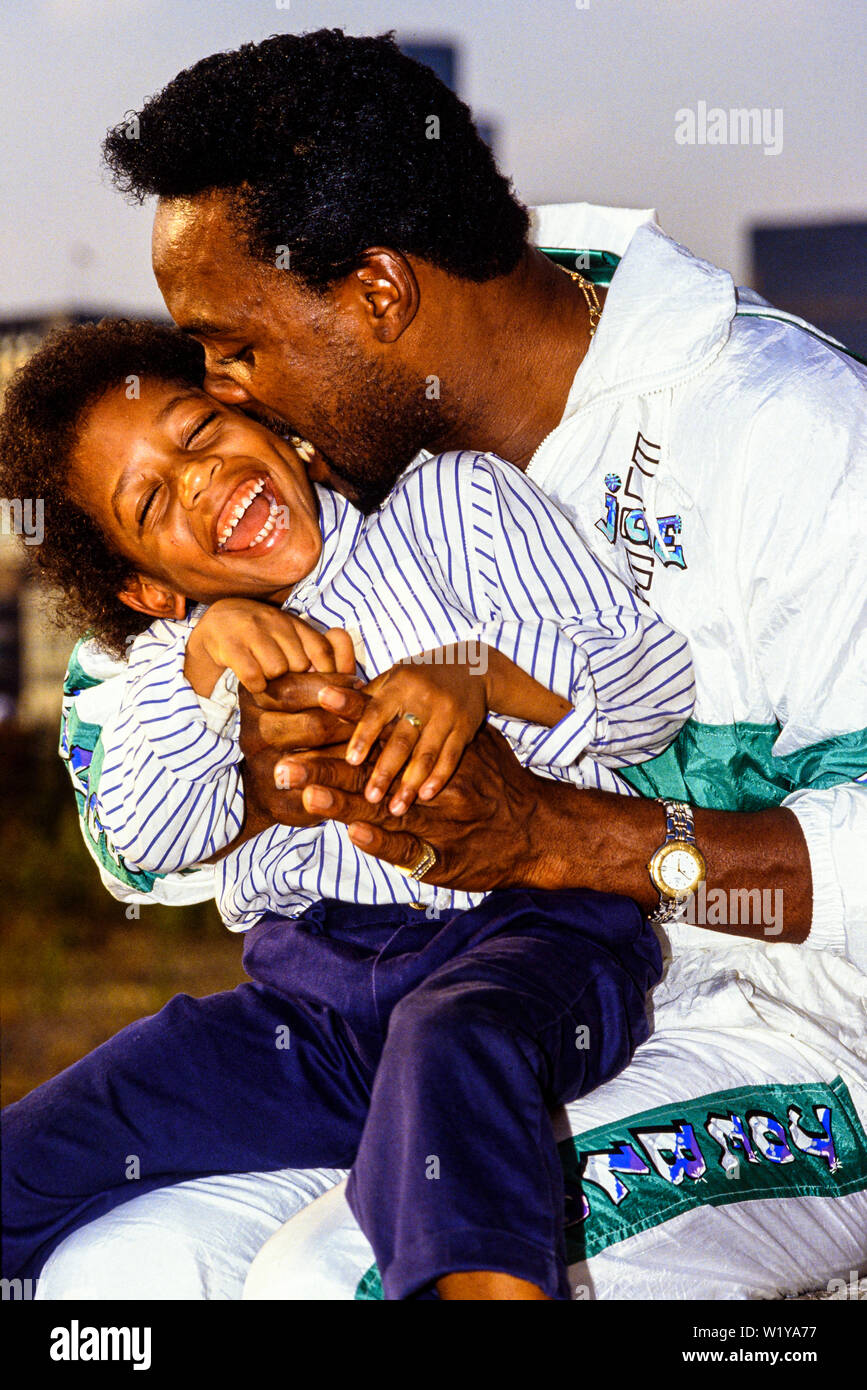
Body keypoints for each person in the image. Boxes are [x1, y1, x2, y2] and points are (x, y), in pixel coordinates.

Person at [26, 30, 867, 1298]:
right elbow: (123, 805)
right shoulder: (326, 500)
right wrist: (256, 758)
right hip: (408, 1033)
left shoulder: (787, 438)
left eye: (232, 351)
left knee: (342, 1280)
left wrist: (551, 831)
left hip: (805, 1037)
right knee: (121, 1275)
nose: (222, 395)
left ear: (376, 293)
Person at [0, 317, 693, 1299]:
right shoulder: (178, 661)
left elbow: (648, 685)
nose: (196, 479)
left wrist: (474, 678)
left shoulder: (454, 507)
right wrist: (203, 676)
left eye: (197, 432)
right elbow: (150, 837)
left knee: (452, 1043)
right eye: (151, 499)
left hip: (537, 940)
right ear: (148, 588)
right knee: (35, 1148)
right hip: (311, 1009)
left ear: (252, 411)